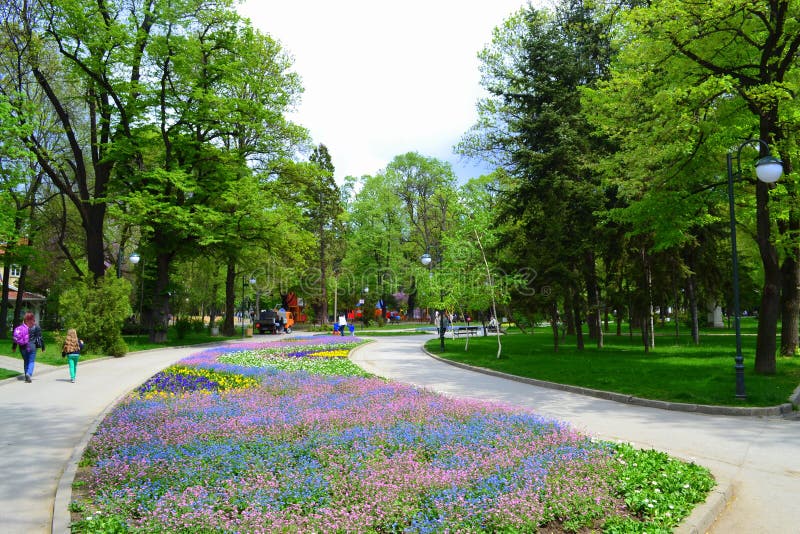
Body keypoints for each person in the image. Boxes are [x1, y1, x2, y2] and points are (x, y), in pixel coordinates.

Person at [12, 312, 44, 383]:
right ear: (33, 318)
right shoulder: (36, 327)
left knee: (26, 361)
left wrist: (14, 347)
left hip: (22, 347)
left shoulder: (21, 327)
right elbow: (40, 337)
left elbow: (16, 338)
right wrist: (43, 347)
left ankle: (26, 376)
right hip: (32, 346)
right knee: (31, 361)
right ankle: (28, 374)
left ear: (25, 318)